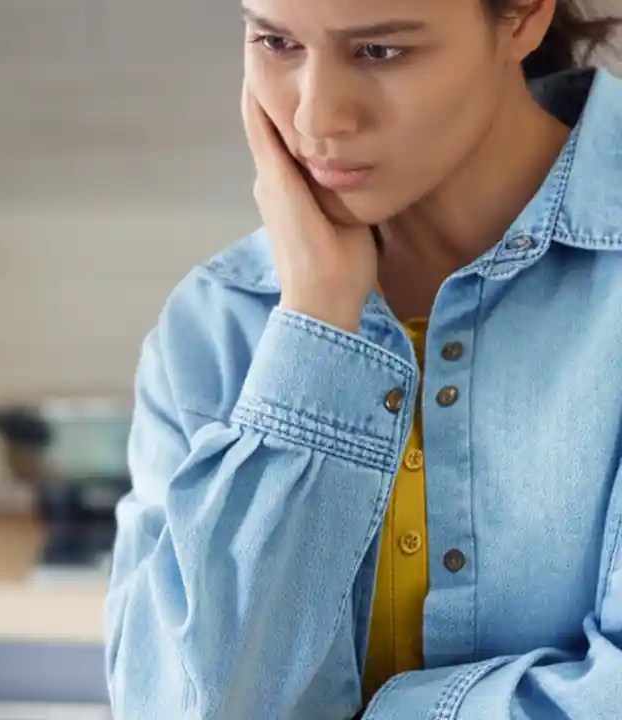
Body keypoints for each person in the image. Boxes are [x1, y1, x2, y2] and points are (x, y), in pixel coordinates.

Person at [104, 0, 622, 717]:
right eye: (276, 41)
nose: (317, 119)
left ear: (523, 17)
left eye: (379, 52)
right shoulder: (219, 320)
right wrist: (316, 318)